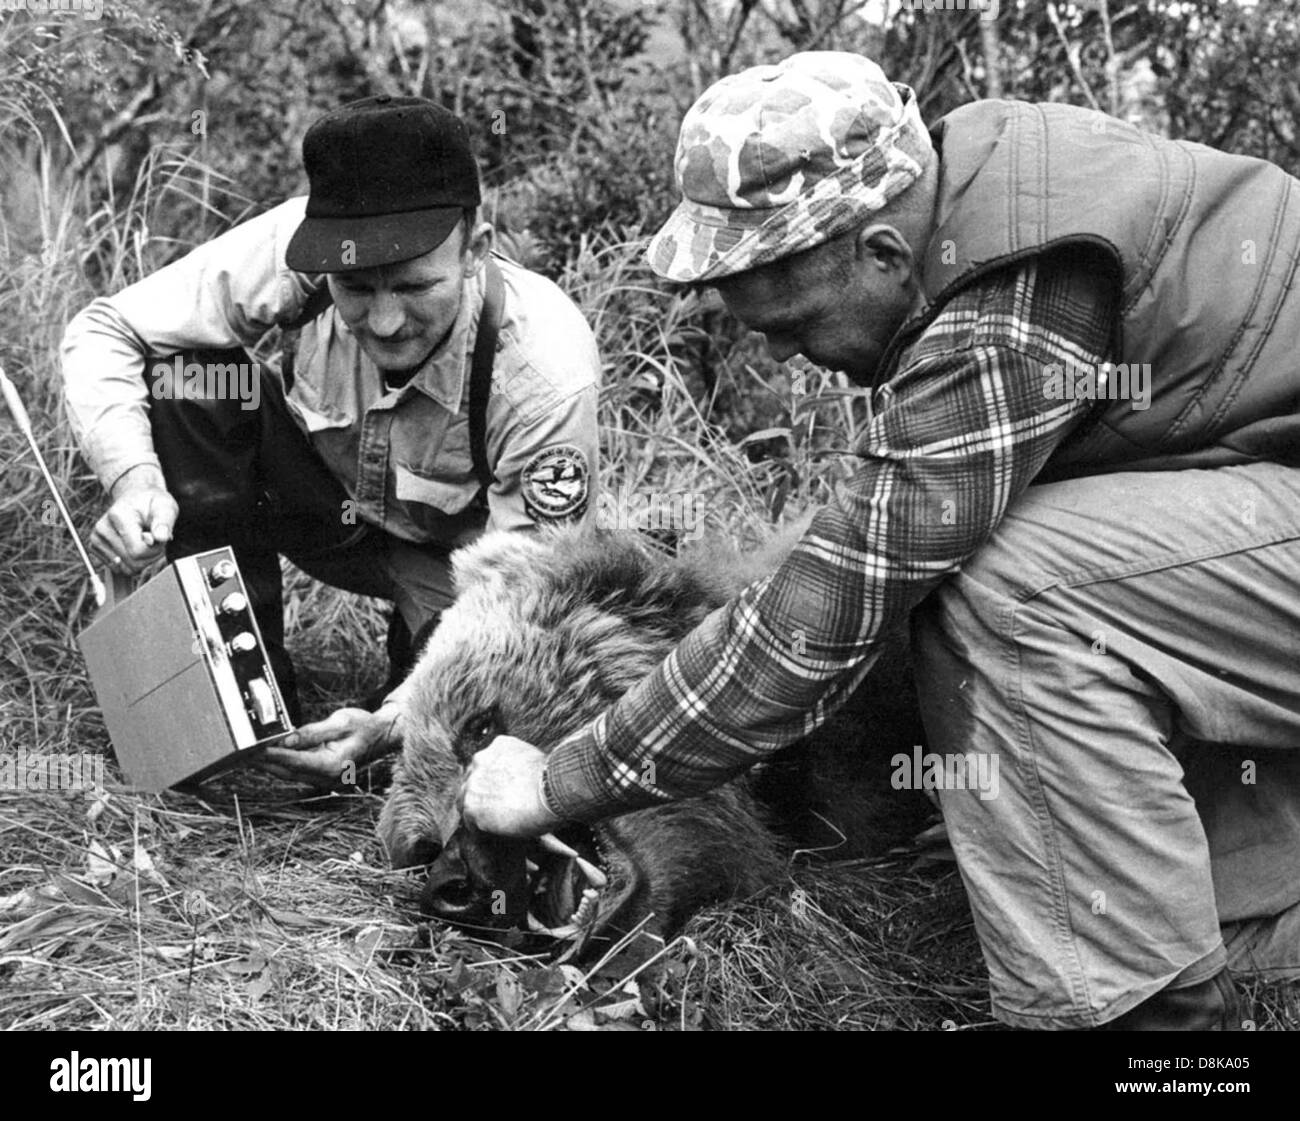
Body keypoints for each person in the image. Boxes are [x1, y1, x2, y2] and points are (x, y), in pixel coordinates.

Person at [460, 52, 1300, 1030]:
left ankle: (1159, 1041)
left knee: (1020, 588)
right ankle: (1233, 917)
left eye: (792, 319)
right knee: (1039, 584)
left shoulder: (1013, 295)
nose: (776, 351)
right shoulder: (980, 190)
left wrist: (561, 779)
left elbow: (826, 612)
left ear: (884, 254)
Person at [62, 95, 601, 782]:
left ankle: (375, 714)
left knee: (428, 749)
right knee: (190, 380)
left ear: (477, 251)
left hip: (453, 573)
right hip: (319, 504)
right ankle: (228, 710)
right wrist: (134, 479)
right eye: (354, 286)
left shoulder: (544, 373)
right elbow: (107, 329)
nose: (381, 320)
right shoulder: (299, 246)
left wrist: (389, 721)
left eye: (412, 286)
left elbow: (523, 601)